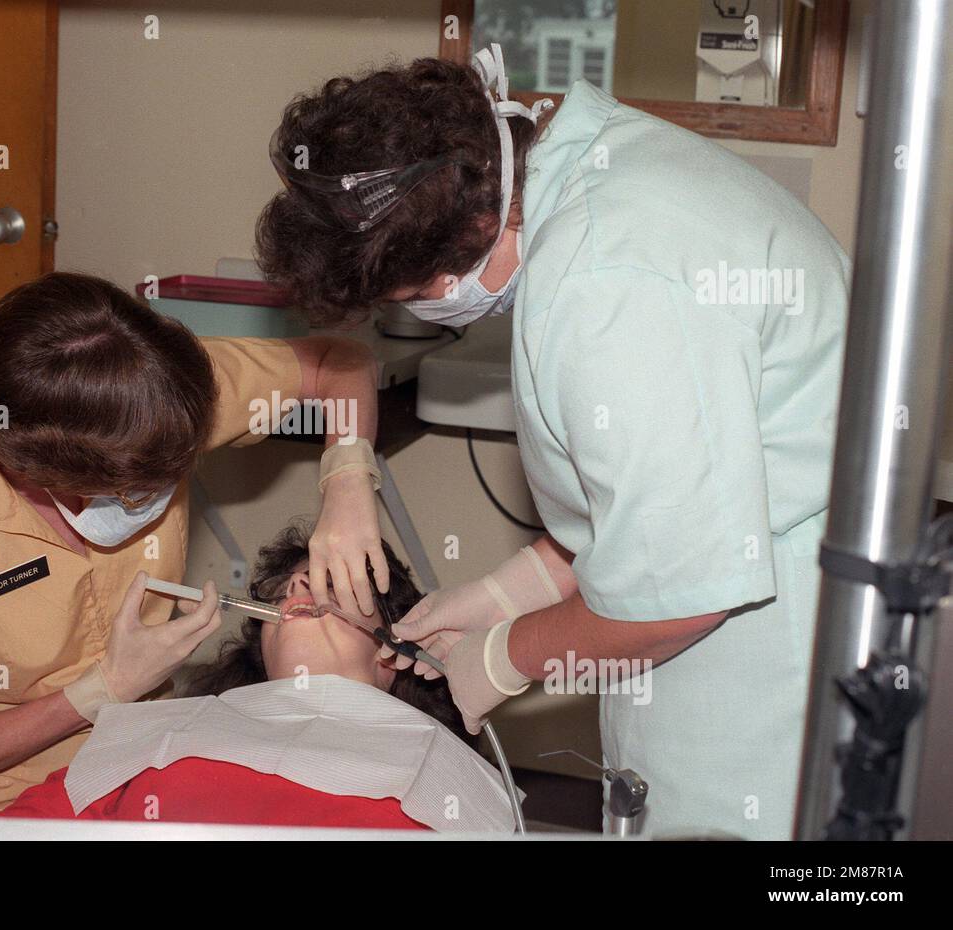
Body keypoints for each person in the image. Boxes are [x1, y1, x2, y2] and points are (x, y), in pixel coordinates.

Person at [255, 47, 849, 838]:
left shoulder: (607, 286)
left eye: (412, 298)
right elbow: (657, 504)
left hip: (767, 678)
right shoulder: (588, 169)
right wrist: (507, 594)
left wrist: (509, 655)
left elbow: (681, 590)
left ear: (469, 228)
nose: (426, 311)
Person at [0, 272, 388, 815]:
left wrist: (348, 481)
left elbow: (338, 364)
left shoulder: (159, 393)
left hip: (149, 760)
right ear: (41, 470)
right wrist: (100, 692)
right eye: (138, 487)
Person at [0, 527, 515, 832]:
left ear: (395, 650)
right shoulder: (158, 730)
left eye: (335, 583)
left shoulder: (439, 769)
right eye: (291, 585)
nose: (300, 588)